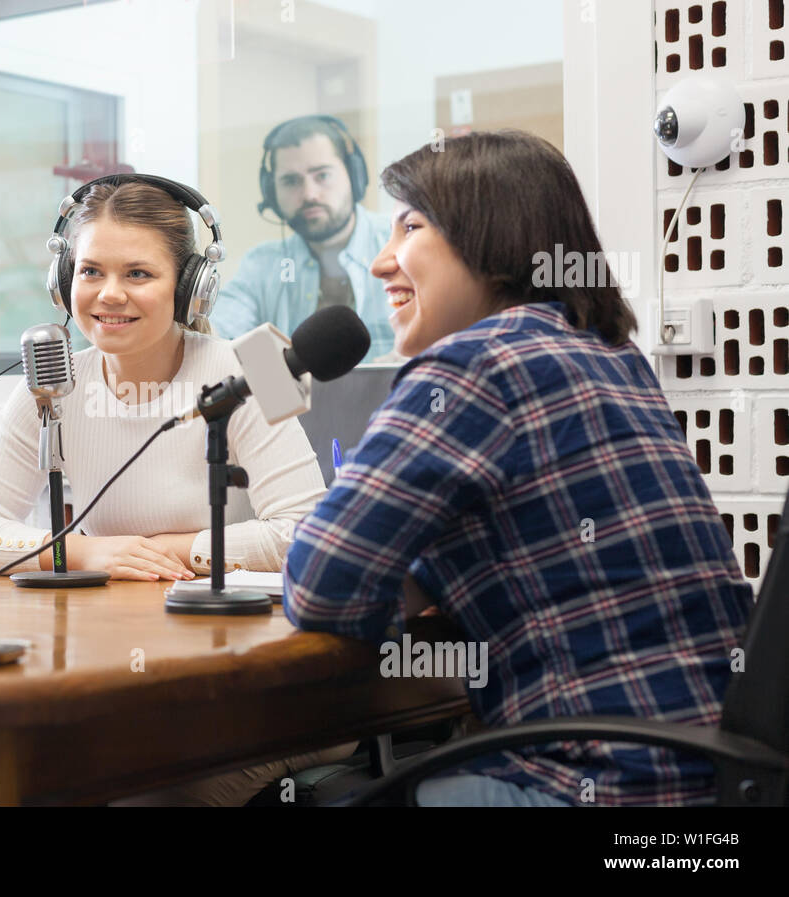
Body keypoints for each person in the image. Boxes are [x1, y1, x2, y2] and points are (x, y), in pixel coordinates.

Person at [283, 130, 754, 807]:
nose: (383, 262)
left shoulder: (472, 366)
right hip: (720, 782)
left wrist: (386, 587)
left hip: (600, 786)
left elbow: (322, 587)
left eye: (410, 227)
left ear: (493, 239)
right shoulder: (612, 356)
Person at [0, 175, 329, 581]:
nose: (110, 294)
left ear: (189, 288)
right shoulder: (49, 386)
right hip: (111, 614)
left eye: (138, 274)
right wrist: (80, 551)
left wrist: (160, 552)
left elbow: (310, 536)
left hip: (226, 614)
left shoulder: (261, 365)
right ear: (64, 281)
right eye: (91, 271)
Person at [210, 115, 397, 360]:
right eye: (291, 181)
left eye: (323, 175)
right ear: (272, 192)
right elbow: (218, 333)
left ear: (354, 176)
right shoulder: (262, 265)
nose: (309, 194)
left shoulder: (401, 241)